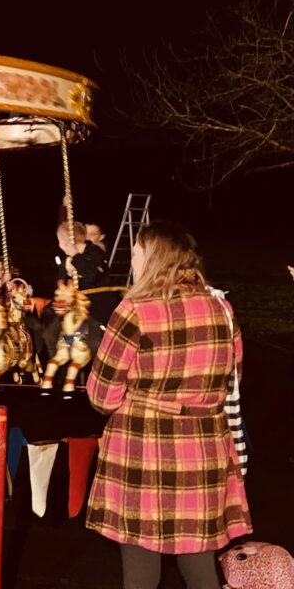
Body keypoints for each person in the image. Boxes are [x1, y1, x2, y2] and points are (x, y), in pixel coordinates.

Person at [85, 222, 252, 589]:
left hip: (143, 447)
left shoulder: (133, 311)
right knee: (199, 563)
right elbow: (233, 376)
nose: (133, 259)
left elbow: (102, 396)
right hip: (203, 447)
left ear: (155, 257)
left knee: (141, 566)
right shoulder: (221, 308)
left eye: (138, 252)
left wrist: (142, 393)